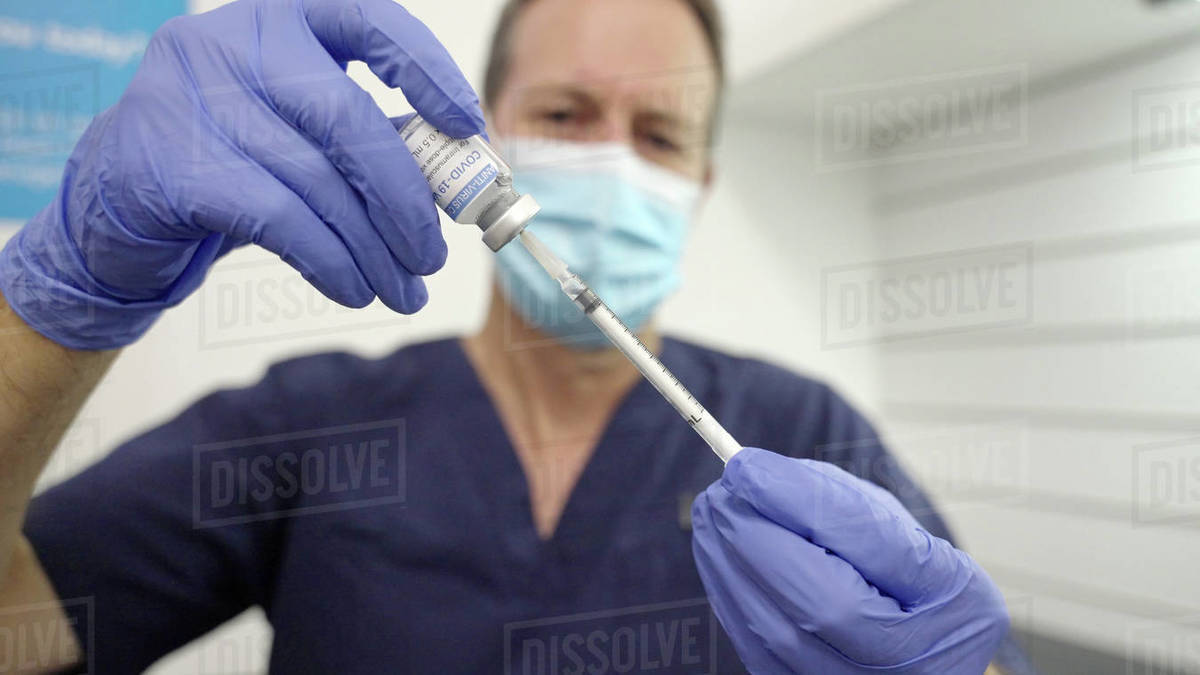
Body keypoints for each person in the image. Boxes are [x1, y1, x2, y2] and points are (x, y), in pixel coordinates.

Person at [0, 0, 1028, 672]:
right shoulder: (311, 425)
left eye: (659, 134)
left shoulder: (805, 428)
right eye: (567, 114)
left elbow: (966, 653)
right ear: (478, 134)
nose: (610, 163)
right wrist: (61, 302)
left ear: (700, 187)